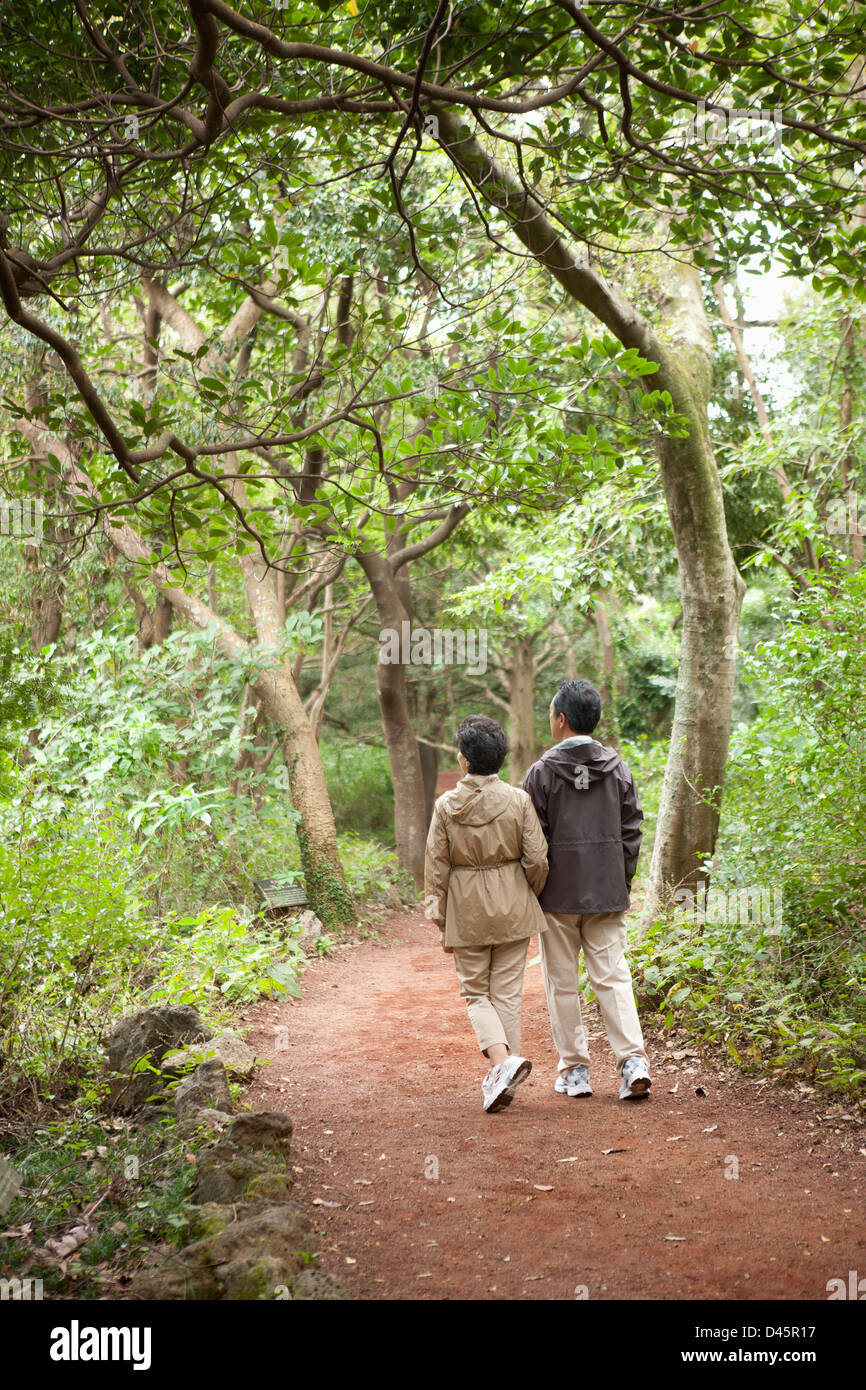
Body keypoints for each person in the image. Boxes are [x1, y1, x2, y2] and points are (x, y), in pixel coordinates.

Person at [523, 679, 652, 1101]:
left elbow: (533, 842)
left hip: (557, 898)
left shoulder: (542, 773)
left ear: (561, 720)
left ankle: (576, 1072)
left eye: (550, 712)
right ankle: (632, 1062)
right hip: (606, 892)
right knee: (613, 978)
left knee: (561, 982)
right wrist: (620, 877)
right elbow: (631, 829)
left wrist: (537, 889)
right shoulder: (617, 769)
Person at [424, 715, 549, 1113]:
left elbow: (436, 865)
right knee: (507, 994)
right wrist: (528, 894)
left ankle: (501, 1065)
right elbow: (537, 858)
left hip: (467, 907)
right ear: (501, 758)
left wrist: (441, 918)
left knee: (476, 993)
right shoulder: (518, 800)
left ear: (463, 760)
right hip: (514, 902)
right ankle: (504, 1074)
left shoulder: (446, 806)